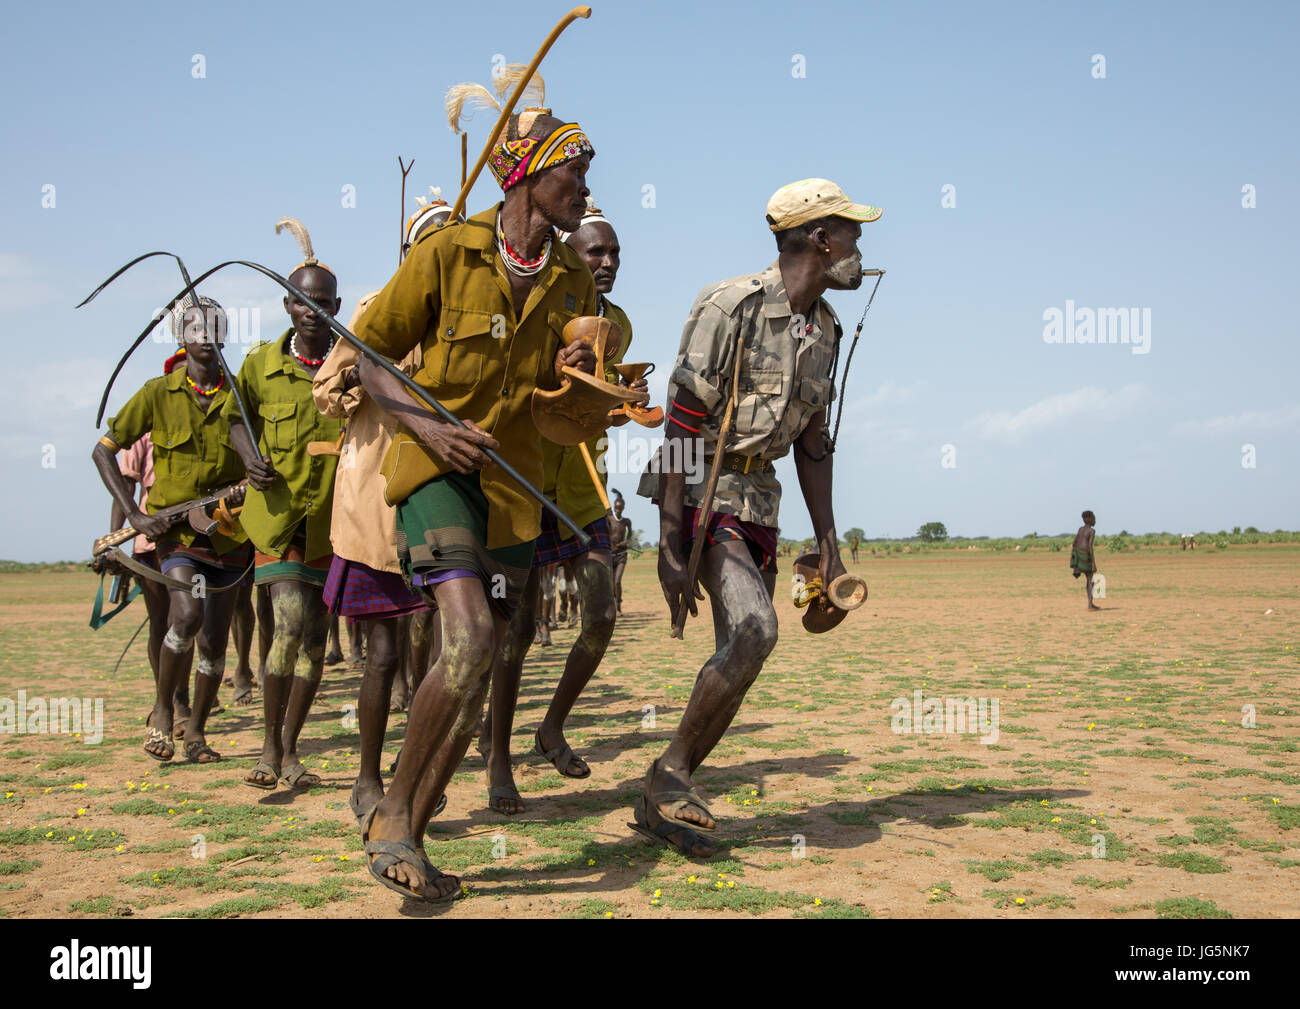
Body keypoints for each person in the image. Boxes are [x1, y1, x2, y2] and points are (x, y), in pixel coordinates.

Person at [350, 81, 599, 901]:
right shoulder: (447, 253)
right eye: (578, 174)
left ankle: (412, 830)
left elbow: (565, 403)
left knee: (485, 653)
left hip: (514, 493)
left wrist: (593, 395)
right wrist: (426, 428)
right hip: (434, 473)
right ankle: (391, 812)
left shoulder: (573, 283)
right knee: (465, 637)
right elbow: (369, 358)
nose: (588, 192)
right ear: (526, 174)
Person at [635, 178, 881, 856]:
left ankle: (664, 802)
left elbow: (813, 442)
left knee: (739, 654)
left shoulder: (823, 328)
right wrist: (669, 541)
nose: (860, 245)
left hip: (759, 505)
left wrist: (829, 545)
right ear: (819, 239)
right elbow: (682, 426)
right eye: (852, 232)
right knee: (755, 626)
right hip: (703, 494)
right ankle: (669, 774)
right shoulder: (729, 307)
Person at [476, 201, 645, 815]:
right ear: (567, 250)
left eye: (615, 253)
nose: (607, 263)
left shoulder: (617, 323)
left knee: (601, 614)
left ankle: (550, 727)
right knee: (514, 631)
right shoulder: (533, 304)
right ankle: (498, 759)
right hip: (524, 483)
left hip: (583, 489)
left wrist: (625, 399)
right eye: (595, 251)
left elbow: (598, 409)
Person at [314, 190, 457, 822]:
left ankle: (414, 770)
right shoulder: (375, 308)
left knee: (437, 648)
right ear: (409, 252)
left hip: (444, 493)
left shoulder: (468, 314)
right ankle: (368, 779)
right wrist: (359, 379)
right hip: (376, 497)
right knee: (385, 652)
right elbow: (326, 390)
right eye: (428, 241)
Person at [93, 295, 252, 763]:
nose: (206, 337)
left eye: (215, 329)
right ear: (182, 336)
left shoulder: (240, 395)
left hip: (229, 533)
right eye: (196, 329)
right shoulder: (156, 393)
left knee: (214, 642)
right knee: (184, 617)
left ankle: (198, 733)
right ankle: (164, 710)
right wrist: (137, 517)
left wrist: (252, 480)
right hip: (176, 538)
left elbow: (260, 457)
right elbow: (104, 452)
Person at [227, 218, 344, 791]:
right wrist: (249, 457)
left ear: (335, 305)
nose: (310, 310)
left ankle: (291, 747)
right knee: (290, 621)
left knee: (315, 639)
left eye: (321, 301)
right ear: (287, 304)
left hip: (330, 522)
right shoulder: (257, 366)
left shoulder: (353, 366)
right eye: (301, 300)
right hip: (275, 519)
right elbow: (233, 420)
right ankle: (268, 747)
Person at [1071, 510, 1100, 610]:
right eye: (1093, 518)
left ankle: (1090, 603)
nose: (1095, 520)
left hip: (1079, 555)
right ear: (1088, 519)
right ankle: (1090, 604)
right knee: (1090, 579)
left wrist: (1075, 561)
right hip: (1086, 555)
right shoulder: (1091, 531)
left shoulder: (1080, 529)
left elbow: (1074, 543)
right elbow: (1090, 547)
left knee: (1088, 579)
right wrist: (1093, 563)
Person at [609, 489, 632, 613]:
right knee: (611, 582)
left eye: (620, 508)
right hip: (610, 554)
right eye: (616, 508)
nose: (618, 510)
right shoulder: (609, 519)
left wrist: (625, 542)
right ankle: (614, 602)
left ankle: (618, 602)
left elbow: (630, 536)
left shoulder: (626, 521)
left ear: (623, 508)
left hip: (622, 555)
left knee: (617, 580)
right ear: (614, 507)